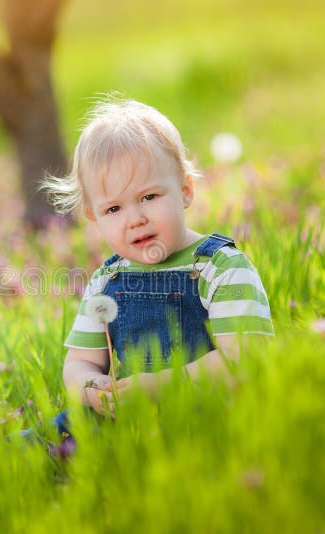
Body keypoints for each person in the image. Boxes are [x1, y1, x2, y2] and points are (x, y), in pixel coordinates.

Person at [40, 97, 274, 426]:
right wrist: (93, 388)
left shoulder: (219, 267)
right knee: (46, 438)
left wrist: (158, 386)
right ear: (94, 217)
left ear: (185, 191)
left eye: (149, 197)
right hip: (128, 414)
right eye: (114, 209)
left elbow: (245, 357)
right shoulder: (106, 281)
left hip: (211, 416)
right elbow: (79, 362)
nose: (135, 219)